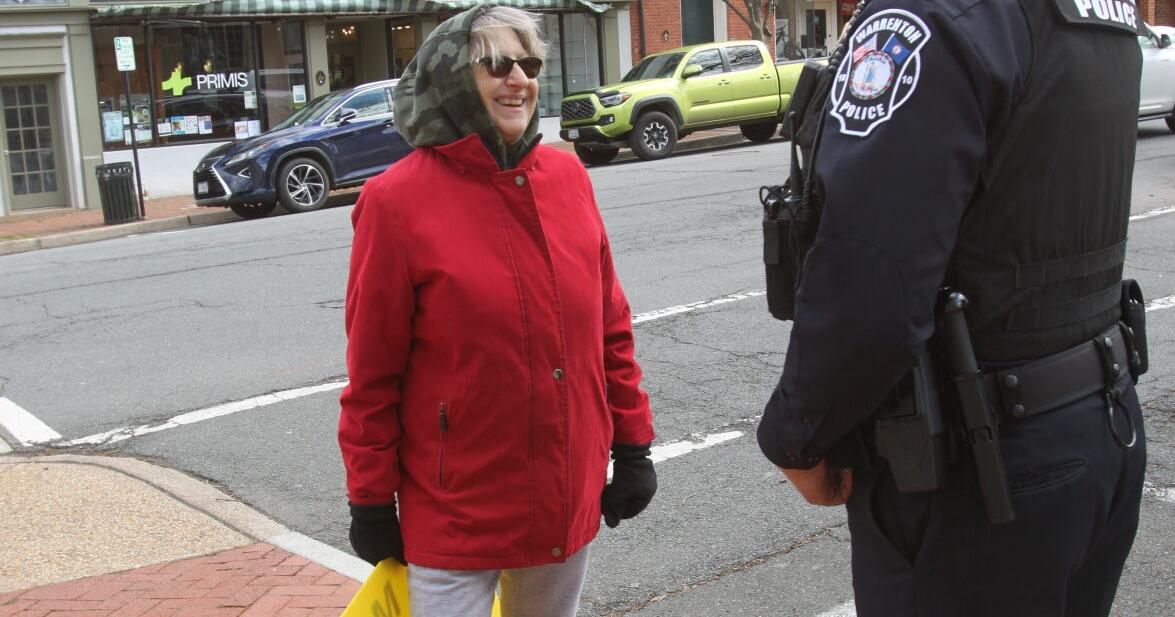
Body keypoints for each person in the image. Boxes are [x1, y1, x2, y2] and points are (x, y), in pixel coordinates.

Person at [756, 0, 1148, 615]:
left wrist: (797, 437)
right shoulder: (1095, 11)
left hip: (980, 470)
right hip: (1099, 417)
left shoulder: (930, 16)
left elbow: (870, 283)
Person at [337, 5, 657, 616]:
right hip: (456, 510)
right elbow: (373, 372)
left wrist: (634, 445)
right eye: (496, 64)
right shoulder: (394, 201)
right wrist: (370, 499)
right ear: (455, 80)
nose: (520, 79)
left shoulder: (567, 175)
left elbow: (610, 327)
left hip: (564, 492)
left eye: (529, 63)